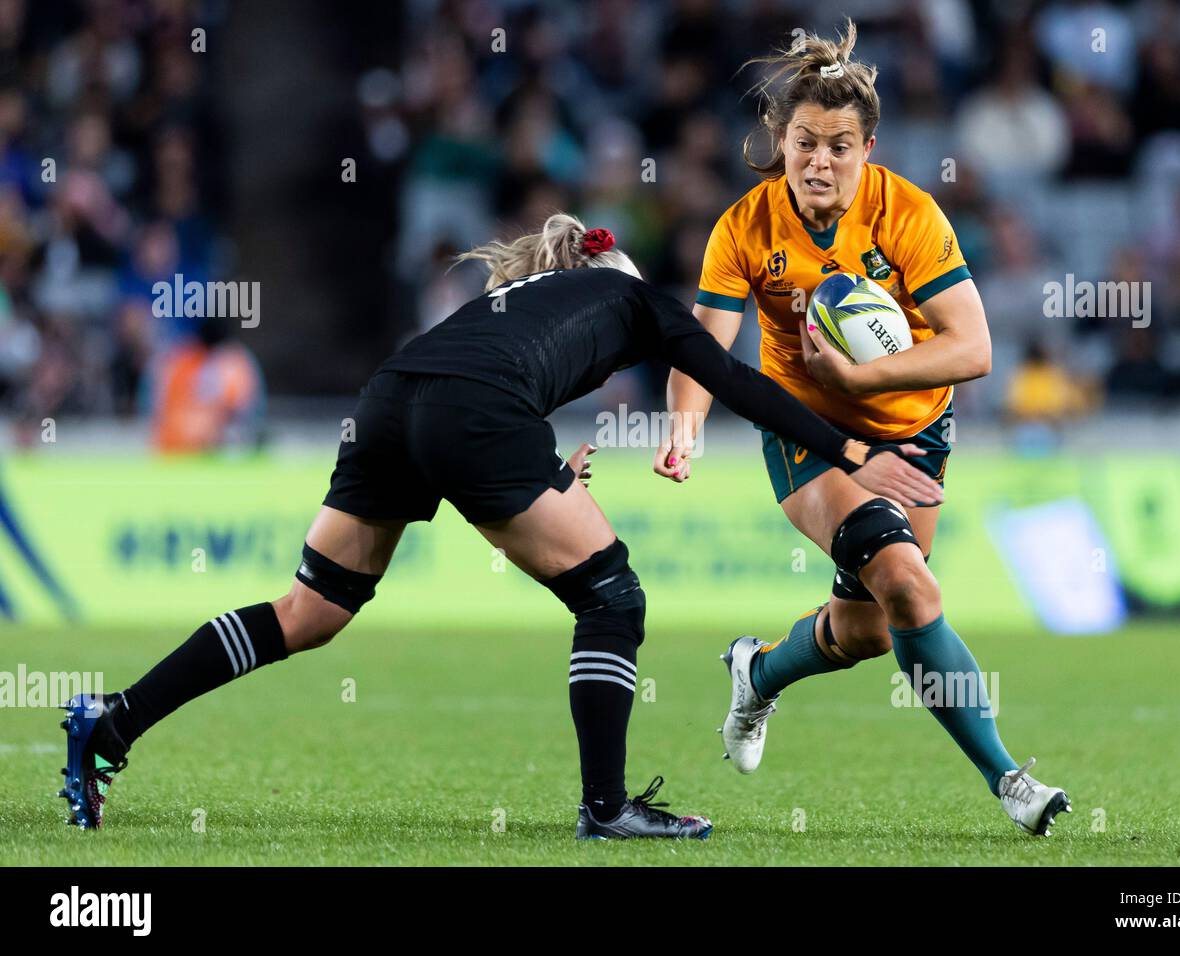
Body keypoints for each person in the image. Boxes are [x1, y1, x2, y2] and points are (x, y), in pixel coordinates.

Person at [59, 213, 903, 840]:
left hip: (393, 395)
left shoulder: (522, 296)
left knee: (305, 614)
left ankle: (113, 721)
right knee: (612, 597)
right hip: (476, 412)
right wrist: (850, 448)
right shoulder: (638, 298)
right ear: (609, 258)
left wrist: (531, 473)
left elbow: (486, 392)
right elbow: (740, 383)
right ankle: (606, 811)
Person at [656, 23, 1071, 835]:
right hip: (807, 431)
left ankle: (758, 671)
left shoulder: (909, 214)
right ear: (779, 141)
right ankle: (1012, 782)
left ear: (868, 149)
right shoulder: (745, 227)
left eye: (840, 146)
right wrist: (685, 425)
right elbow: (702, 345)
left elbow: (974, 348)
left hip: (914, 429)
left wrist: (858, 376)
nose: (820, 161)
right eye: (804, 142)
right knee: (913, 586)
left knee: (870, 630)